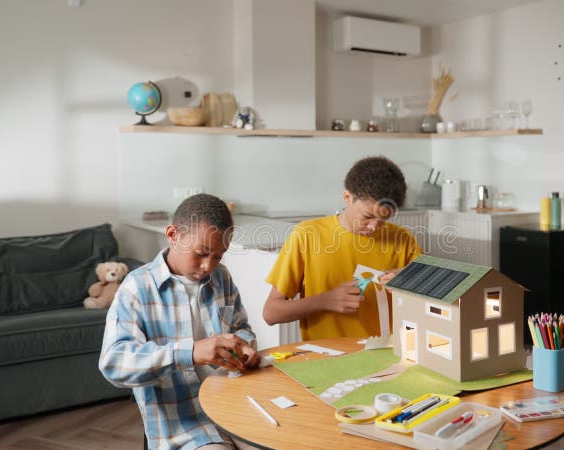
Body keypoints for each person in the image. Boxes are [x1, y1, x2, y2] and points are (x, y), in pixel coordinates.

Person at [99, 194, 260, 450]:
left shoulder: (221, 278)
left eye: (218, 256)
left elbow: (240, 328)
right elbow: (114, 363)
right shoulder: (137, 288)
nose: (209, 265)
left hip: (236, 408)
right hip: (184, 425)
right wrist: (191, 352)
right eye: (202, 253)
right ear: (173, 235)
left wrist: (246, 346)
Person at [263, 156, 423, 340]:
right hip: (327, 359)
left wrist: (411, 282)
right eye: (367, 216)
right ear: (348, 197)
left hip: (386, 358)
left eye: (383, 220)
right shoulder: (307, 235)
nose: (373, 227)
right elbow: (271, 313)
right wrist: (325, 300)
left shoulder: (403, 239)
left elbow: (438, 297)